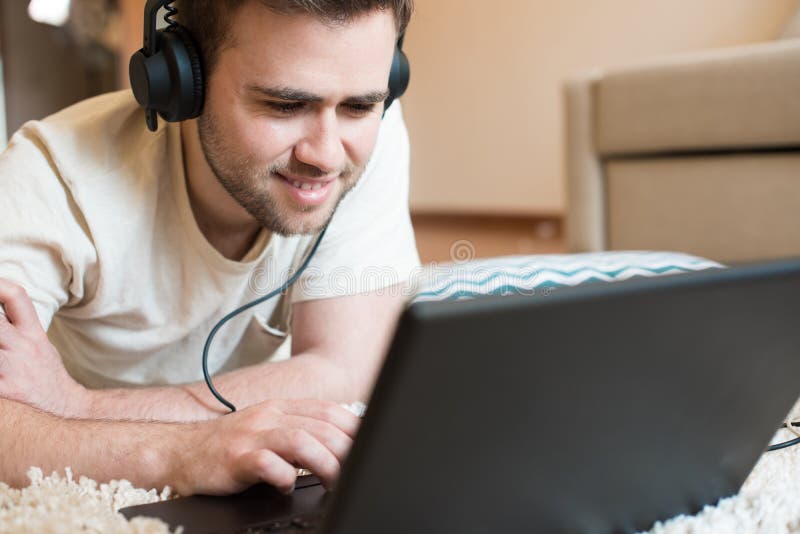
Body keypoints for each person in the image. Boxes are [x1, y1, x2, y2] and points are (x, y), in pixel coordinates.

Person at [0, 0, 418, 496]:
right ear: (181, 83)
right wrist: (186, 450)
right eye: (285, 105)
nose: (326, 155)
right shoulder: (50, 176)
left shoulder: (368, 139)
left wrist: (78, 409)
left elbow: (346, 369)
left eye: (360, 106)